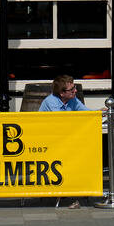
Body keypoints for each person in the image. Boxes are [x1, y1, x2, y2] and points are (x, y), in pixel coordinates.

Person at [38, 74, 88, 207]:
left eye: (75, 88)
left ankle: (74, 187)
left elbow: (86, 113)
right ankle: (65, 188)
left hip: (64, 140)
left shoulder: (72, 100)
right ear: (61, 93)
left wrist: (99, 113)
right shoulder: (51, 102)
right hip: (47, 142)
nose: (75, 91)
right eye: (72, 90)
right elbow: (61, 122)